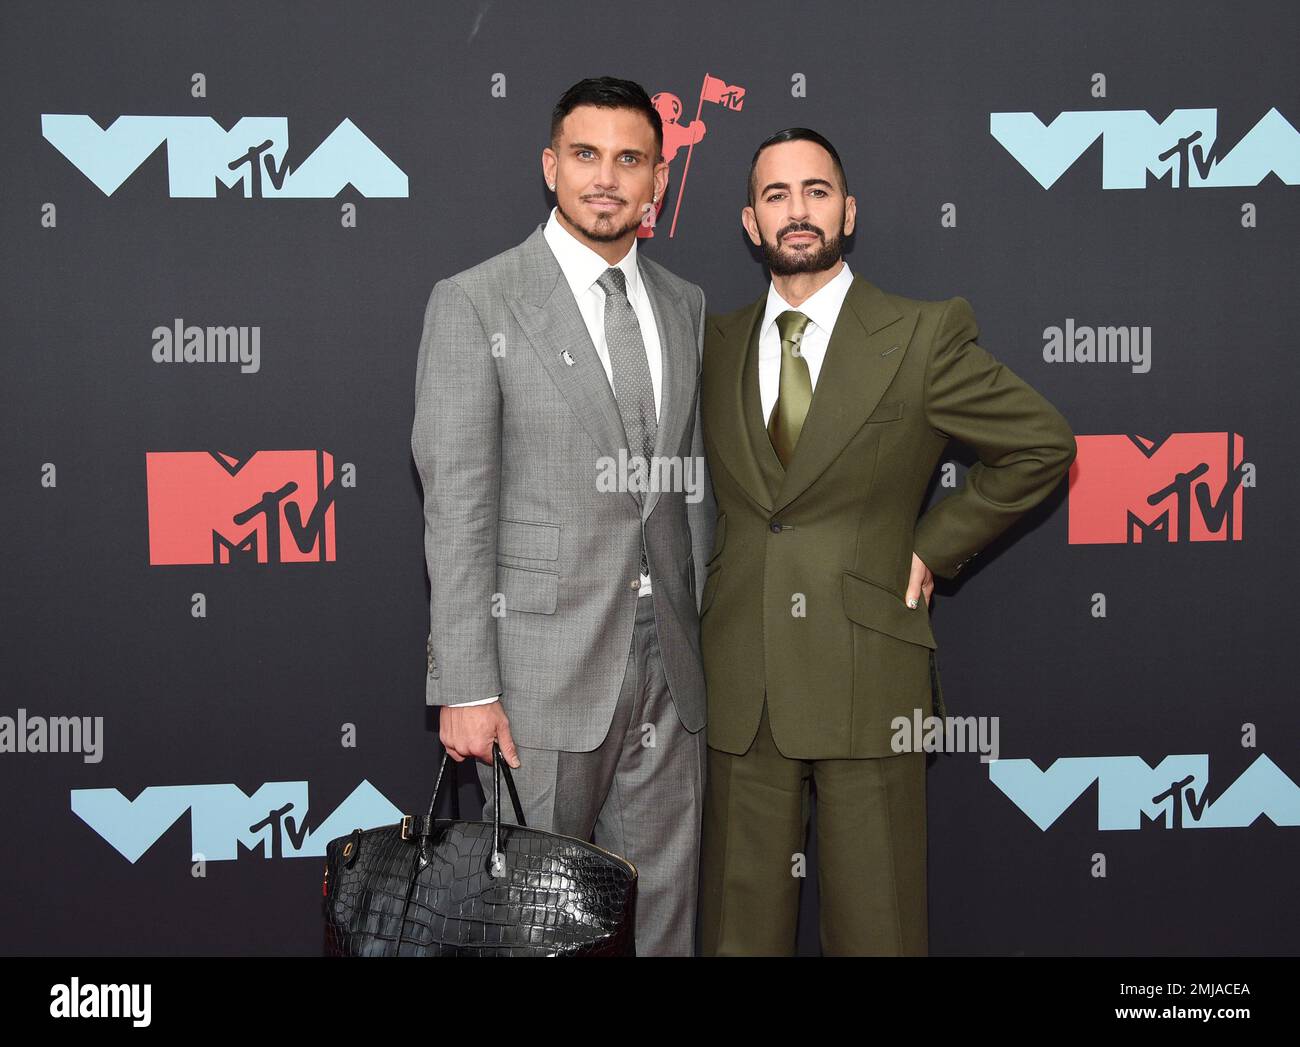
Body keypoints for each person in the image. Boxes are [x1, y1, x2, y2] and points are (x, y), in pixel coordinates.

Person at [696, 127, 1077, 955]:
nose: (798, 211)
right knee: (735, 936)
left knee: (880, 932)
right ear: (750, 223)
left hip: (869, 677)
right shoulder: (709, 342)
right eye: (775, 195)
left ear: (849, 210)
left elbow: (1043, 444)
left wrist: (935, 546)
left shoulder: (921, 334)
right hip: (739, 683)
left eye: (817, 190)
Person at [410, 77, 715, 956]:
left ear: (659, 179)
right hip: (536, 671)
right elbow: (457, 503)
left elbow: (687, 490)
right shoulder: (477, 302)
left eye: (631, 160)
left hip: (672, 668)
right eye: (586, 155)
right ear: (551, 167)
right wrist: (466, 684)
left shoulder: (684, 304)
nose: (607, 178)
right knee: (532, 928)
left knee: (662, 918)